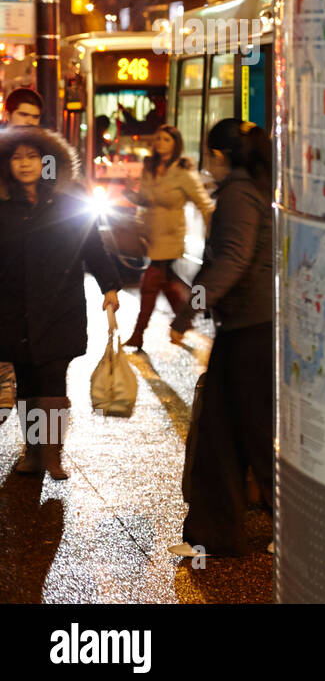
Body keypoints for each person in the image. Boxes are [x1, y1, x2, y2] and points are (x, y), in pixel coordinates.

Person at [167, 119, 274, 557]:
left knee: (251, 433)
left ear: (219, 156)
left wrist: (189, 307)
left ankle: (296, 528)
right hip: (250, 327)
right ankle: (213, 536)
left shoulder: (237, 195)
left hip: (251, 330)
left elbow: (231, 259)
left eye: (210, 153)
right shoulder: (255, 189)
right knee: (223, 433)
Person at [0, 125, 121, 479]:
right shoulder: (3, 208)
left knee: (52, 380)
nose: (24, 164)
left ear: (46, 161)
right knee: (27, 382)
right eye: (16, 158)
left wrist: (109, 286)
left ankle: (52, 454)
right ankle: (32, 452)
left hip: (59, 306)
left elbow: (93, 247)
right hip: (14, 308)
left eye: (32, 157)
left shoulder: (68, 202)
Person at [123, 125, 214, 349]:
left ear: (175, 144)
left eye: (166, 139)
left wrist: (213, 231)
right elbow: (145, 199)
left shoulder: (183, 170)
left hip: (172, 236)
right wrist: (128, 192)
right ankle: (184, 320)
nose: (160, 143)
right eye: (158, 139)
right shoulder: (150, 167)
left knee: (150, 282)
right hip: (152, 233)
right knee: (168, 281)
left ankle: (138, 333)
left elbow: (203, 202)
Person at [0, 89, 42, 424]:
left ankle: (42, 449)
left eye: (35, 117)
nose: (29, 122)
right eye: (24, 115)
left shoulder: (47, 152)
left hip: (33, 270)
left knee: (42, 376)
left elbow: (57, 193)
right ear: (9, 114)